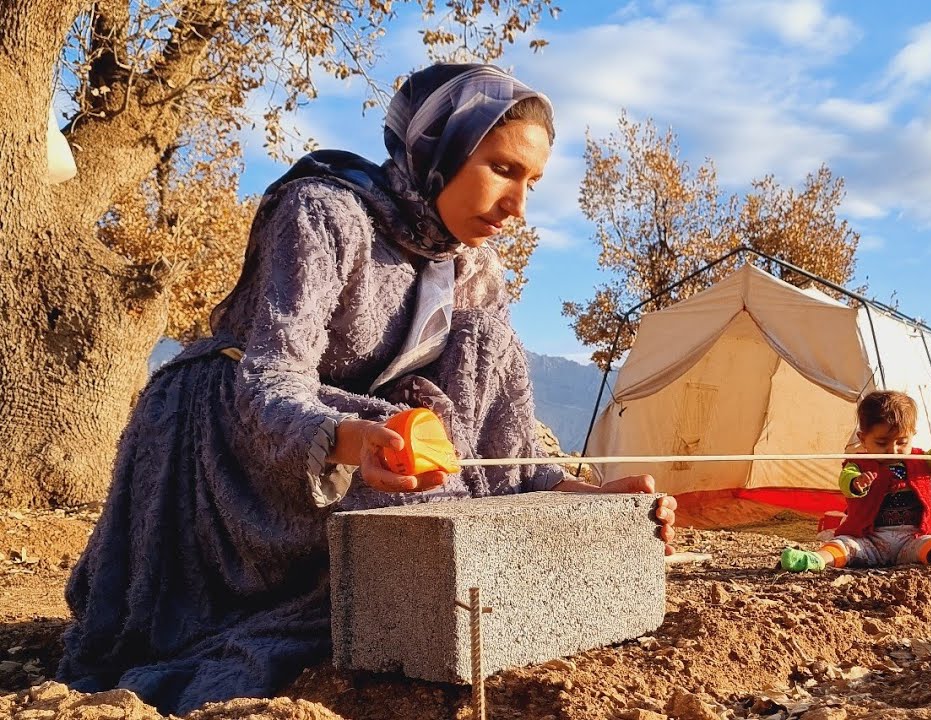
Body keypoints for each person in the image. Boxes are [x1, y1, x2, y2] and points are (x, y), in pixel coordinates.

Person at [58, 63, 676, 715]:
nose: (517, 206)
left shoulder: (472, 266)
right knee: (382, 536)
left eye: (532, 181)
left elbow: (507, 444)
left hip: (359, 429)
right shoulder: (326, 213)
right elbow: (271, 377)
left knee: (485, 345)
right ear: (441, 148)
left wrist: (592, 500)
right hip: (231, 427)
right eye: (501, 168)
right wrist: (350, 441)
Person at [780, 390, 931, 572]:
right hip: (868, 540)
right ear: (863, 438)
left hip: (912, 539)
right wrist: (856, 482)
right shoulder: (858, 463)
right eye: (881, 443)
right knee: (842, 545)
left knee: (930, 543)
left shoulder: (921, 461)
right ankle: (816, 559)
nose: (893, 450)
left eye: (902, 442)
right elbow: (846, 479)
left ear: (912, 436)